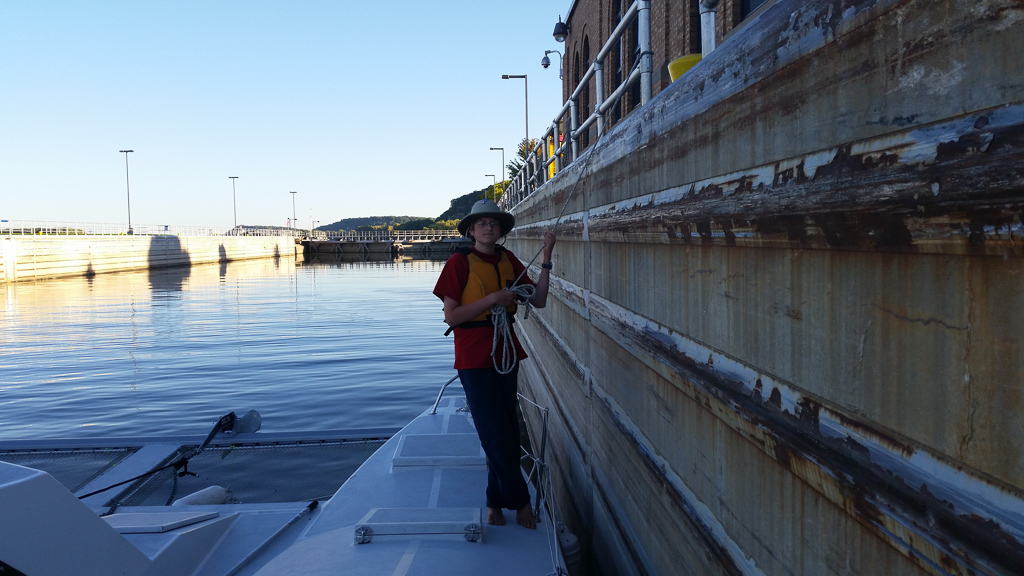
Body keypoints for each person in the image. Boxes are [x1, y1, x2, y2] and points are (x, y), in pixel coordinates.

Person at [432, 199, 556, 529]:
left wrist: (546, 259)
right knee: (494, 433)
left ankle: (493, 502)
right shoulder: (459, 262)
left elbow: (539, 300)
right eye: (482, 223)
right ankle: (521, 504)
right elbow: (452, 316)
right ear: (471, 230)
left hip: (505, 353)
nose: (488, 228)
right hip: (473, 356)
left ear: (500, 231)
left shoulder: (508, 259)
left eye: (494, 224)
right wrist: (494, 299)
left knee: (508, 431)